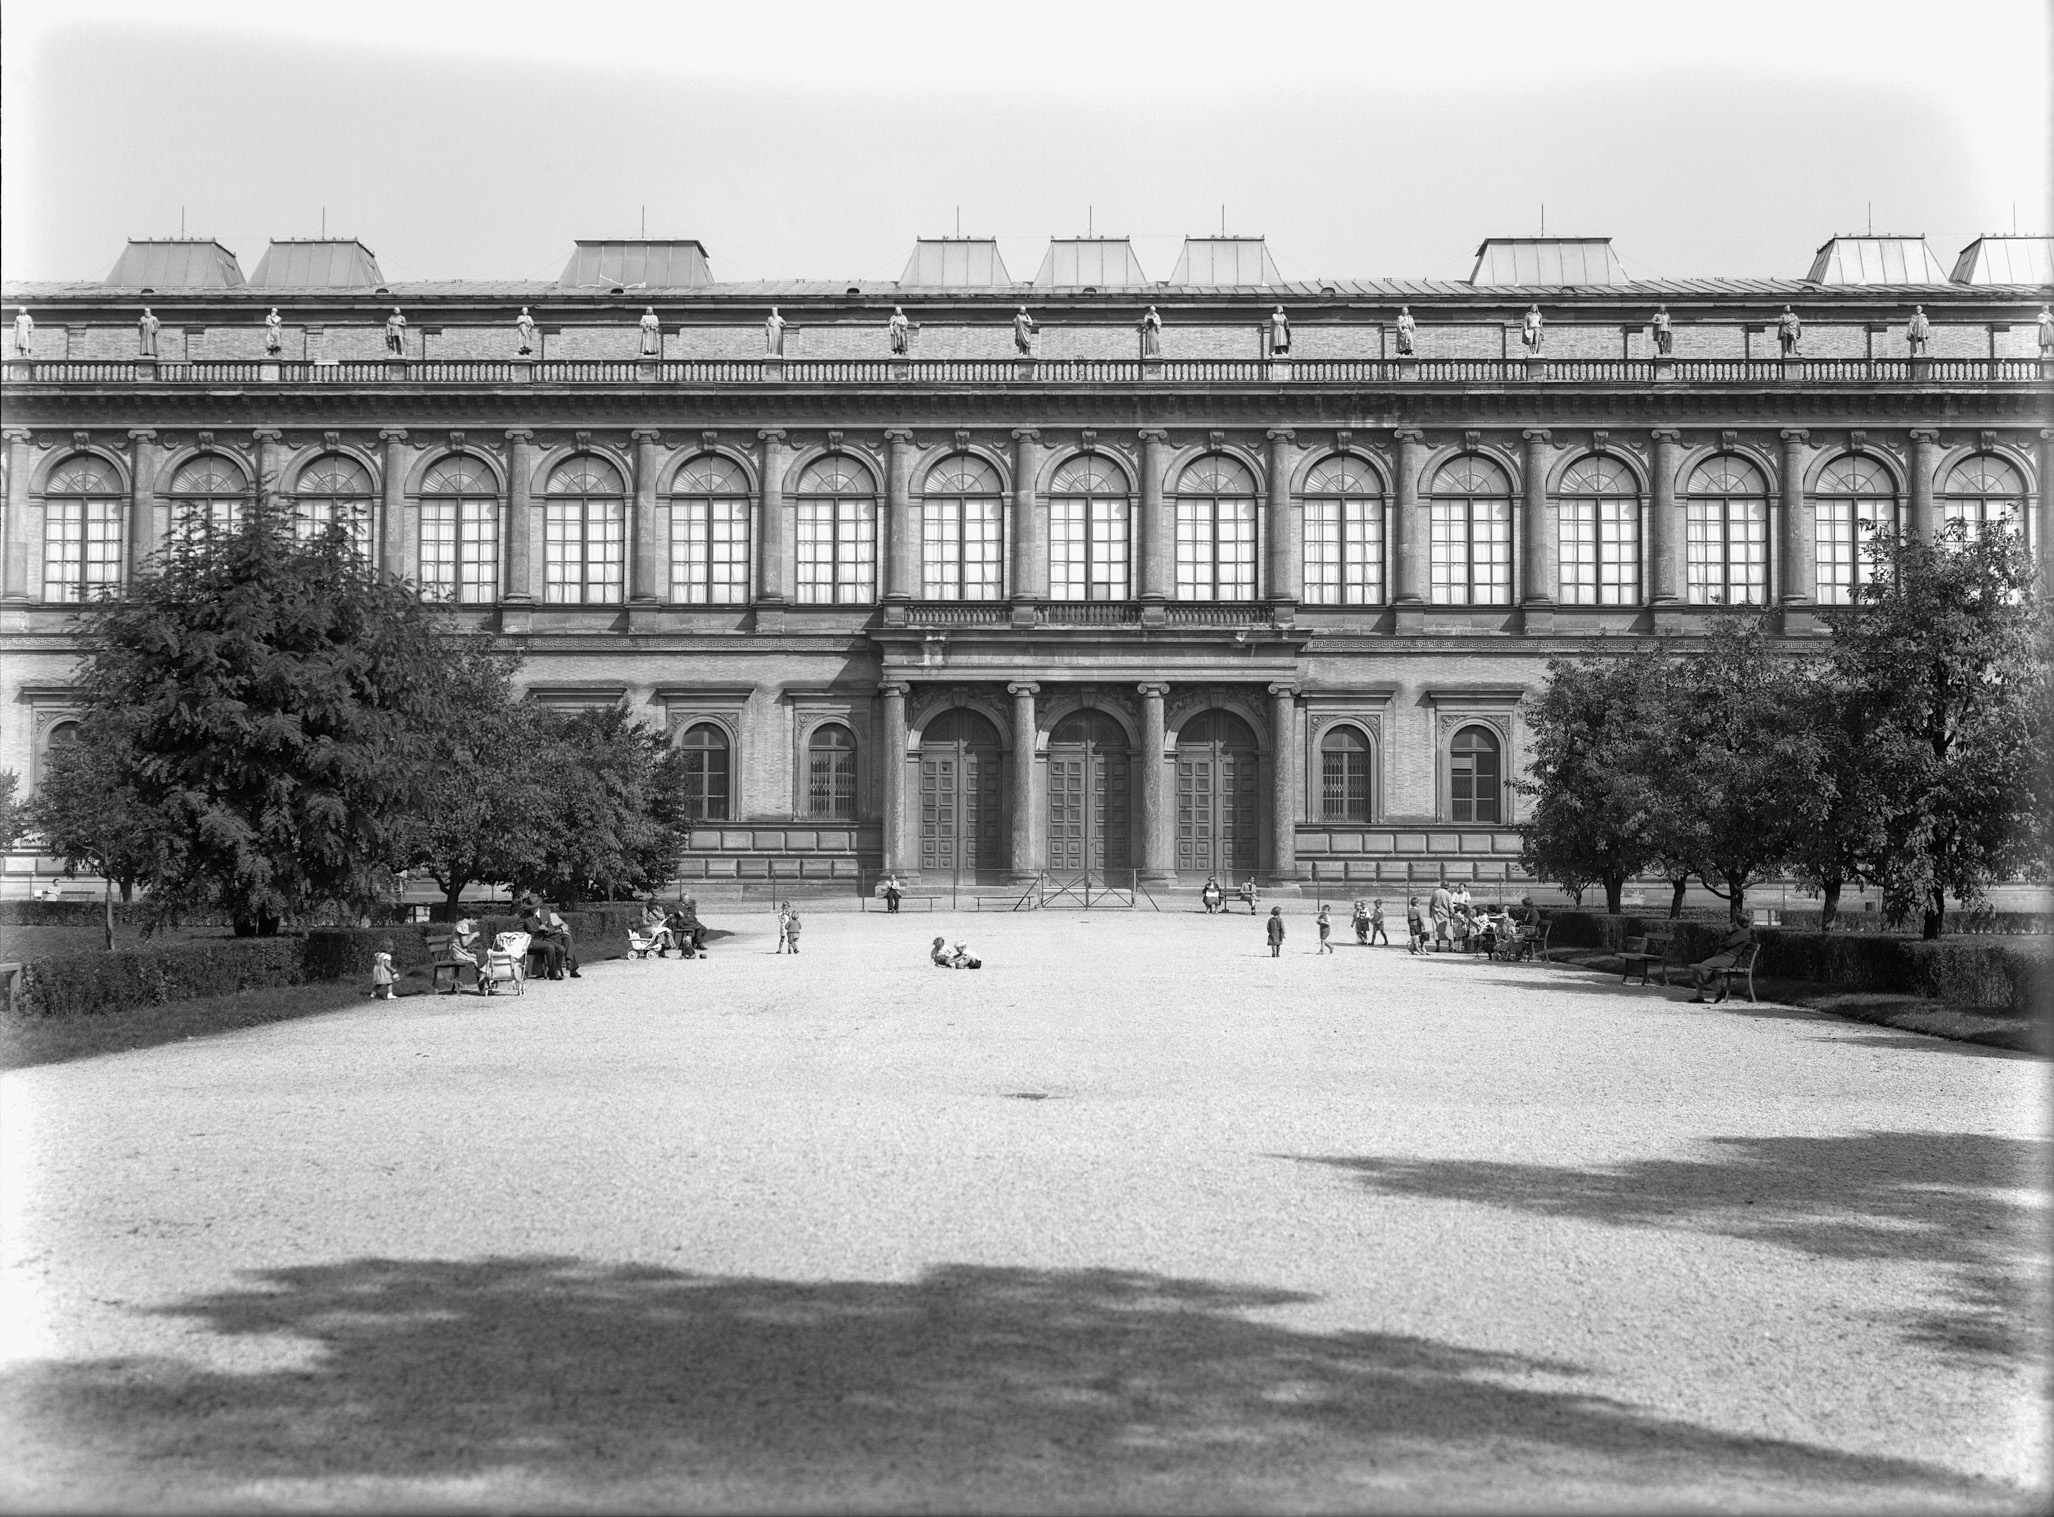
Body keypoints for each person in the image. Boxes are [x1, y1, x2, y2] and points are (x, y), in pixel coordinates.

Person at [1689, 920, 1754, 1003]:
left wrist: (1728, 933)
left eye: (1734, 923)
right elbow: (1724, 943)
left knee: (1701, 967)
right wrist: (1728, 934)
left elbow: (1728, 944)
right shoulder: (1739, 932)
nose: (1732, 924)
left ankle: (1718, 991)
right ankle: (1700, 996)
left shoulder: (1743, 933)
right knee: (1698, 968)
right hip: (1723, 957)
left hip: (1728, 959)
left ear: (1738, 924)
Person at [517, 896, 569, 979]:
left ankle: (555, 969)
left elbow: (552, 928)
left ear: (538, 906)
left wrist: (547, 929)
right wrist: (537, 929)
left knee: (561, 949)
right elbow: (519, 932)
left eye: (534, 908)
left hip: (545, 939)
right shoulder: (524, 917)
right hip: (531, 942)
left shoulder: (545, 913)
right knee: (549, 947)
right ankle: (553, 975)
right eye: (531, 908)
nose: (532, 910)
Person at [445, 915, 485, 989]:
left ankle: (482, 979)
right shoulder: (463, 925)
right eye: (476, 921)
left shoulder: (460, 923)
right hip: (458, 953)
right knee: (481, 956)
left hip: (456, 951)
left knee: (480, 954)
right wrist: (473, 935)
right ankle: (482, 979)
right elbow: (465, 943)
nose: (476, 923)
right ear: (471, 918)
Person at [1428, 880, 1454, 952]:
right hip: (1445, 914)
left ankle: (1437, 946)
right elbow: (1450, 905)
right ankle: (1451, 946)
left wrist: (1430, 913)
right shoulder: (1448, 894)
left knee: (1437, 930)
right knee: (1448, 930)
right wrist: (1452, 913)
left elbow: (1431, 903)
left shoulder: (1435, 893)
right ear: (1447, 886)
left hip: (1436, 914)